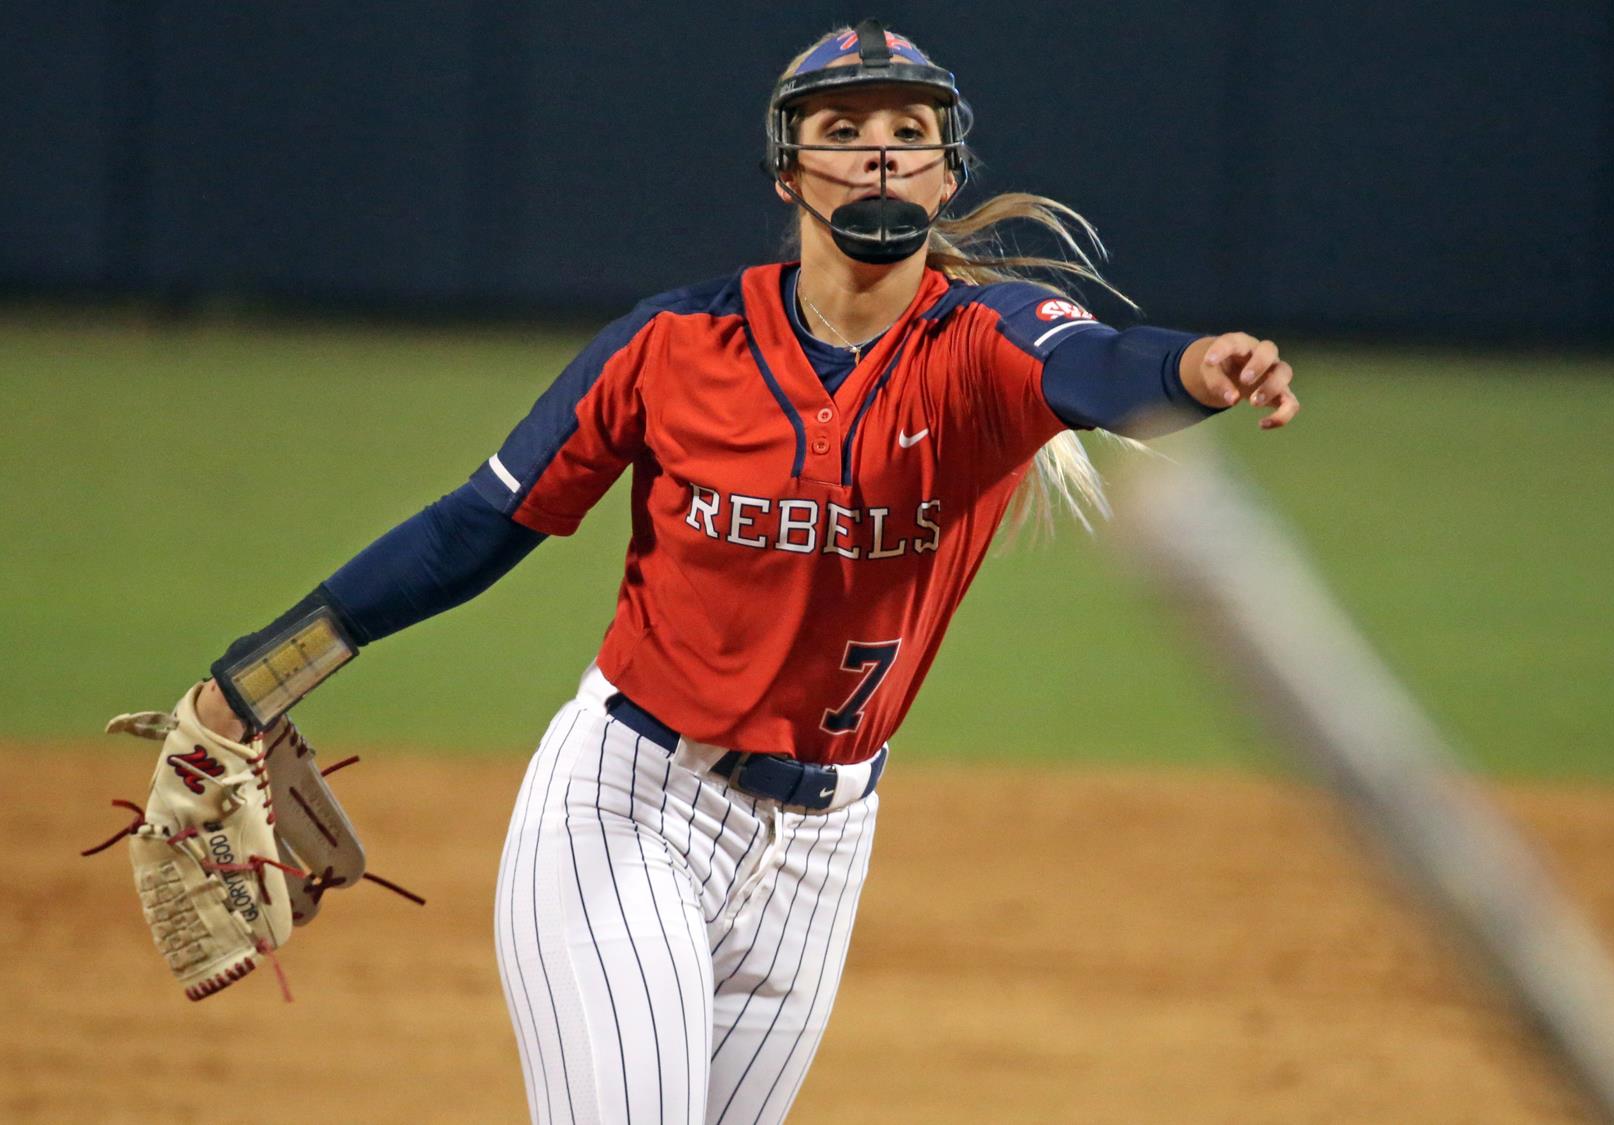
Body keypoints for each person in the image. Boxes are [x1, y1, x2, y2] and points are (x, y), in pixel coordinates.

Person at [191, 20, 1298, 1124]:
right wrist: (251, 683)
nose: (877, 154)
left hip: (823, 850)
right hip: (629, 810)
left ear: (947, 168)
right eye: (842, 128)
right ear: (787, 168)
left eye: (907, 131)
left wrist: (1199, 366)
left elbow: (1099, 363)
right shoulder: (669, 346)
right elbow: (477, 526)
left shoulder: (984, 344)